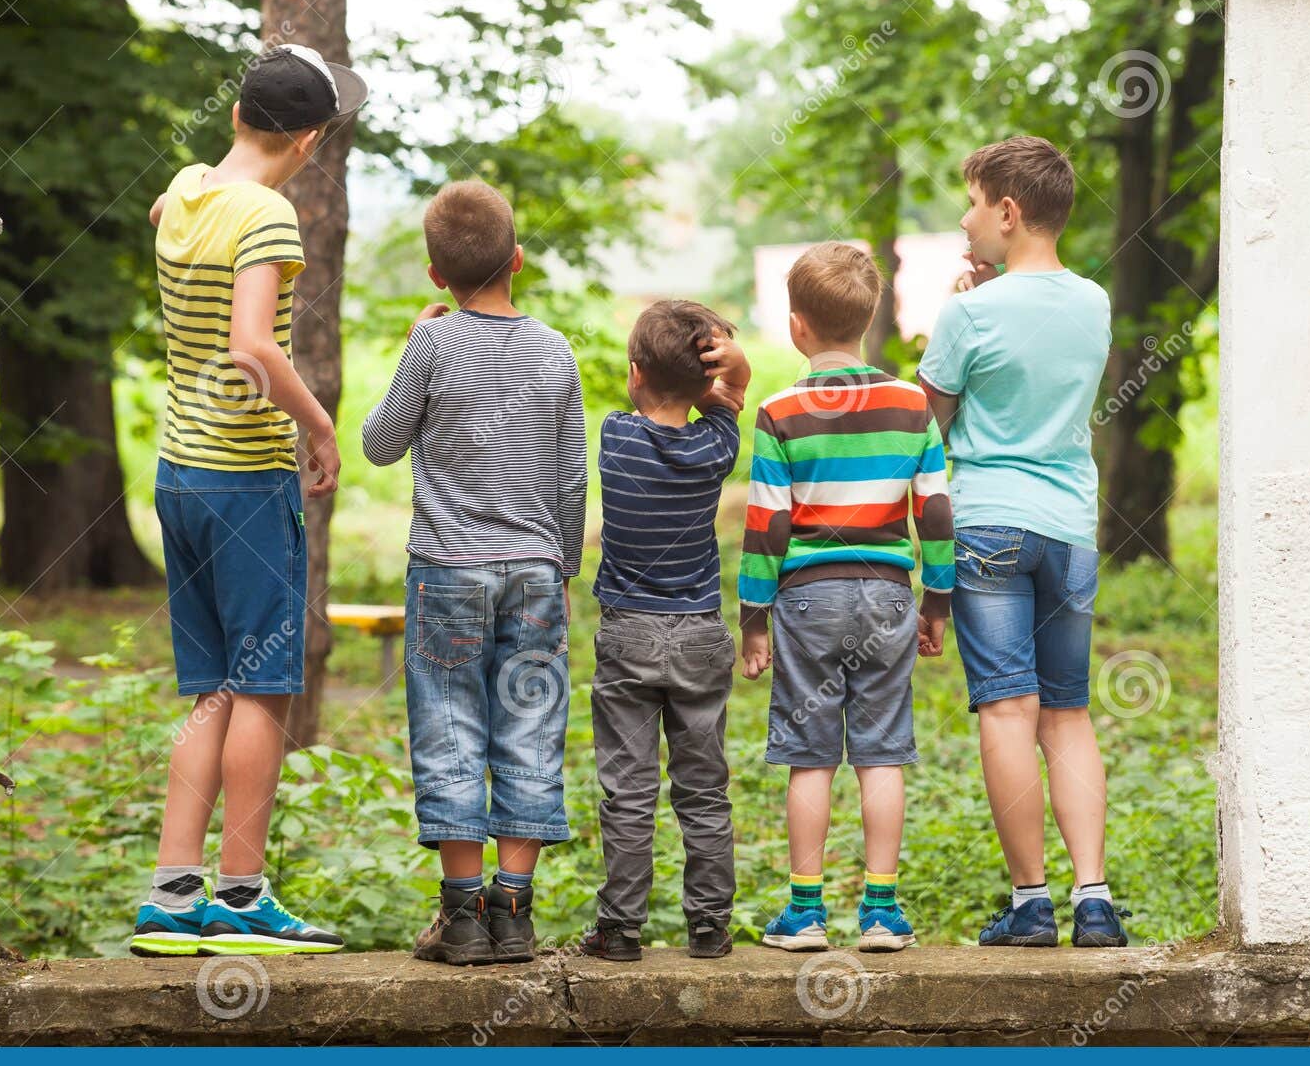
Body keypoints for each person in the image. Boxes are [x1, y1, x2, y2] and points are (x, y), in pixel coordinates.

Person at [132, 45, 366, 957]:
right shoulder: (268, 215)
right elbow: (252, 348)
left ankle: (170, 895)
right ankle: (240, 894)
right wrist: (318, 426)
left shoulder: (187, 188)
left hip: (178, 474)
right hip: (242, 476)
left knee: (208, 690)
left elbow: (163, 207)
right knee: (260, 689)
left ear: (238, 117)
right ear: (307, 139)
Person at [362, 180, 587, 966]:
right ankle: (515, 912)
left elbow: (381, 443)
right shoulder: (556, 349)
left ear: (435, 278)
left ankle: (461, 919)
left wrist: (414, 343)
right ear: (517, 260)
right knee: (530, 726)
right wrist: (566, 563)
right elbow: (570, 477)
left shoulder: (431, 343)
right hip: (534, 568)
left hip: (446, 573)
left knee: (450, 725)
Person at [917, 135, 1127, 948]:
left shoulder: (967, 311)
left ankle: (1031, 901)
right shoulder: (1095, 301)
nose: (965, 217)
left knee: (1008, 710)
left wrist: (972, 305)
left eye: (972, 202)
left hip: (989, 524)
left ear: (1007, 212)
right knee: (1068, 713)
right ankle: (1095, 899)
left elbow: (926, 425)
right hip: (1070, 531)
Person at [739, 241, 953, 953]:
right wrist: (937, 603)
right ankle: (882, 911)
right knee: (881, 751)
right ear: (868, 319)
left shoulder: (779, 411)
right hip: (889, 595)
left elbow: (765, 523)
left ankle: (804, 913)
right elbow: (936, 513)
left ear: (798, 326)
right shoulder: (910, 405)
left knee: (810, 755)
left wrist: (753, 619)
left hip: (807, 599)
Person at [577, 301, 750, 963]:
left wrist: (709, 384)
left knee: (628, 789)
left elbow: (698, 400)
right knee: (703, 788)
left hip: (629, 637)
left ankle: (619, 930)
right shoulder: (715, 448)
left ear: (635, 372)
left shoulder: (616, 436)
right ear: (704, 385)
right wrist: (730, 379)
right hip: (701, 633)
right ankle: (710, 927)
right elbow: (728, 404)